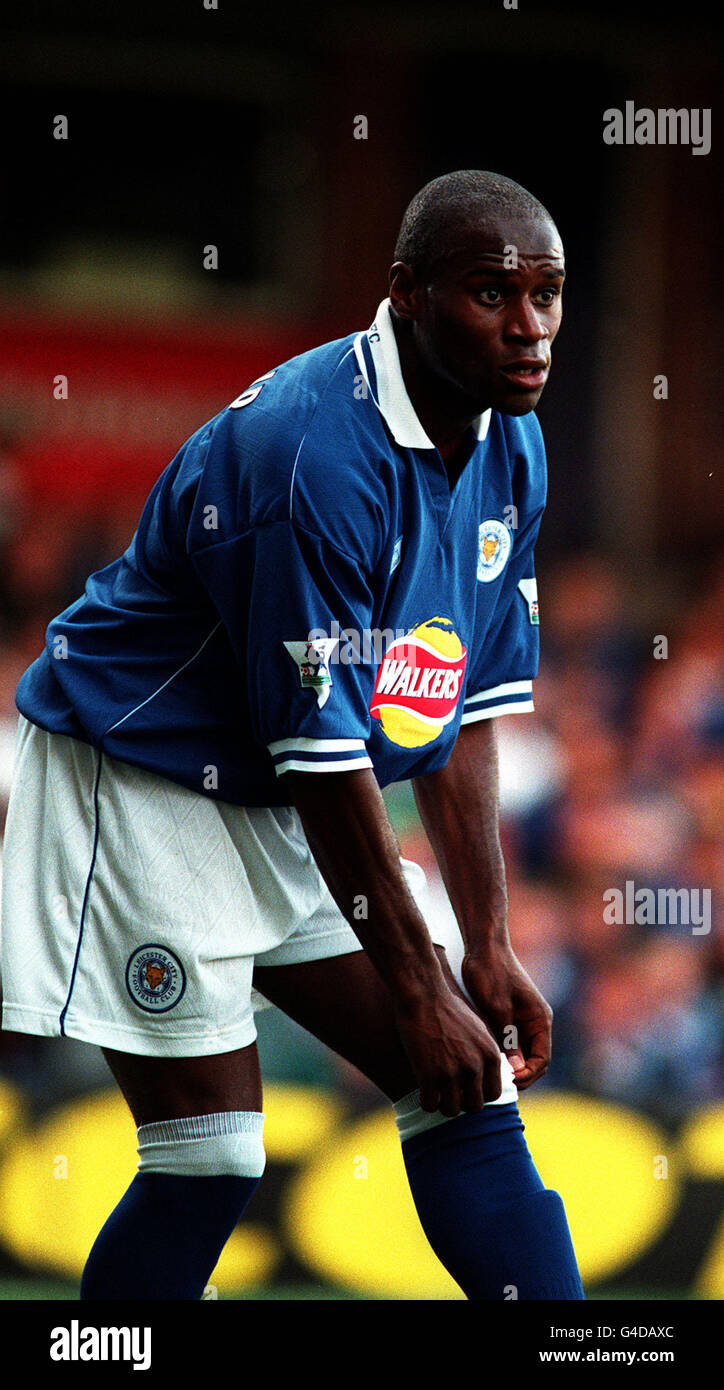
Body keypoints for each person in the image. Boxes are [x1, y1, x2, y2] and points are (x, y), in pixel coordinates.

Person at [0, 169, 584, 1300]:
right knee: (211, 1157)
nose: (529, 327)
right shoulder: (309, 455)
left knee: (467, 1084)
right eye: (490, 294)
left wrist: (486, 941)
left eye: (550, 294)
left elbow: (456, 710)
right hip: (145, 782)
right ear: (407, 294)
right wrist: (418, 986)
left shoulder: (513, 443)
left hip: (287, 792)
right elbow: (318, 754)